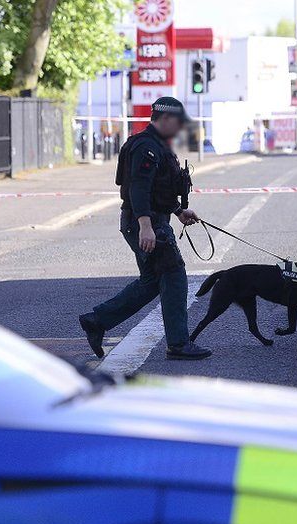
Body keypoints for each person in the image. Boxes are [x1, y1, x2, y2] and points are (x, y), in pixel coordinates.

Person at [80, 97, 212, 361]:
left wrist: (178, 211)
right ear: (165, 119)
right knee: (174, 275)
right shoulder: (146, 147)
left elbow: (158, 189)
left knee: (153, 281)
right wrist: (146, 226)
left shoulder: (157, 145)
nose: (179, 129)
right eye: (177, 123)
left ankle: (97, 320)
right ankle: (178, 343)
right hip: (146, 222)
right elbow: (138, 188)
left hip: (152, 219)